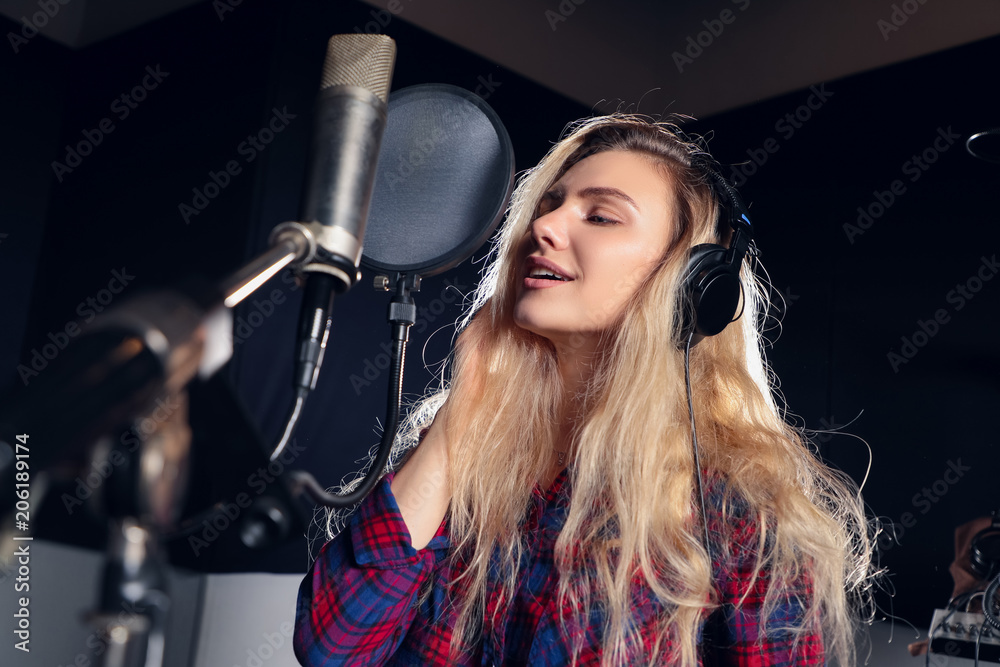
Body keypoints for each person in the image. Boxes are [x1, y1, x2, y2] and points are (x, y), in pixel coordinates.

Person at [293, 114, 873, 666]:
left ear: (688, 283)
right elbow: (333, 648)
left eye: (599, 217)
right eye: (547, 206)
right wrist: (461, 408)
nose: (543, 227)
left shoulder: (744, 511)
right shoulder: (461, 455)